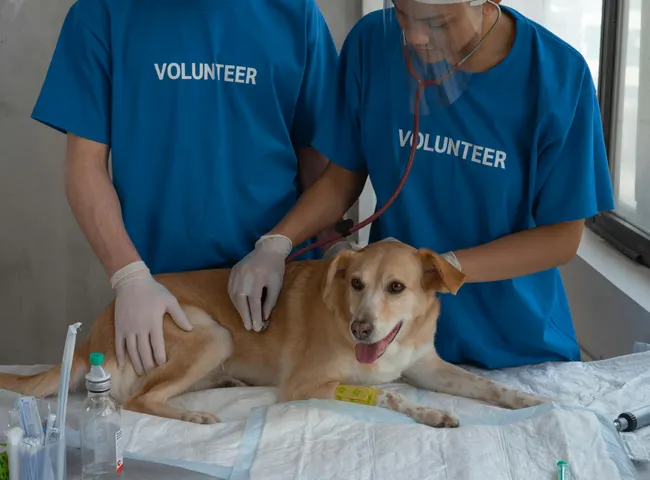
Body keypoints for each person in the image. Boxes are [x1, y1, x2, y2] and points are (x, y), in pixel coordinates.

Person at [228, 0, 616, 369]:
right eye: (401, 11)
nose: (413, 36)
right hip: (397, 342)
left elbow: (562, 238)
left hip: (514, 342)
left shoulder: (558, 78)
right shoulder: (372, 44)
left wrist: (446, 268)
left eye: (437, 22)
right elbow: (341, 179)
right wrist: (276, 243)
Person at [31, 0, 339, 375]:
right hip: (168, 302)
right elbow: (85, 166)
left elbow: (321, 166)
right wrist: (128, 276)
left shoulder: (297, 14)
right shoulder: (102, 13)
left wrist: (311, 243)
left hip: (277, 294)